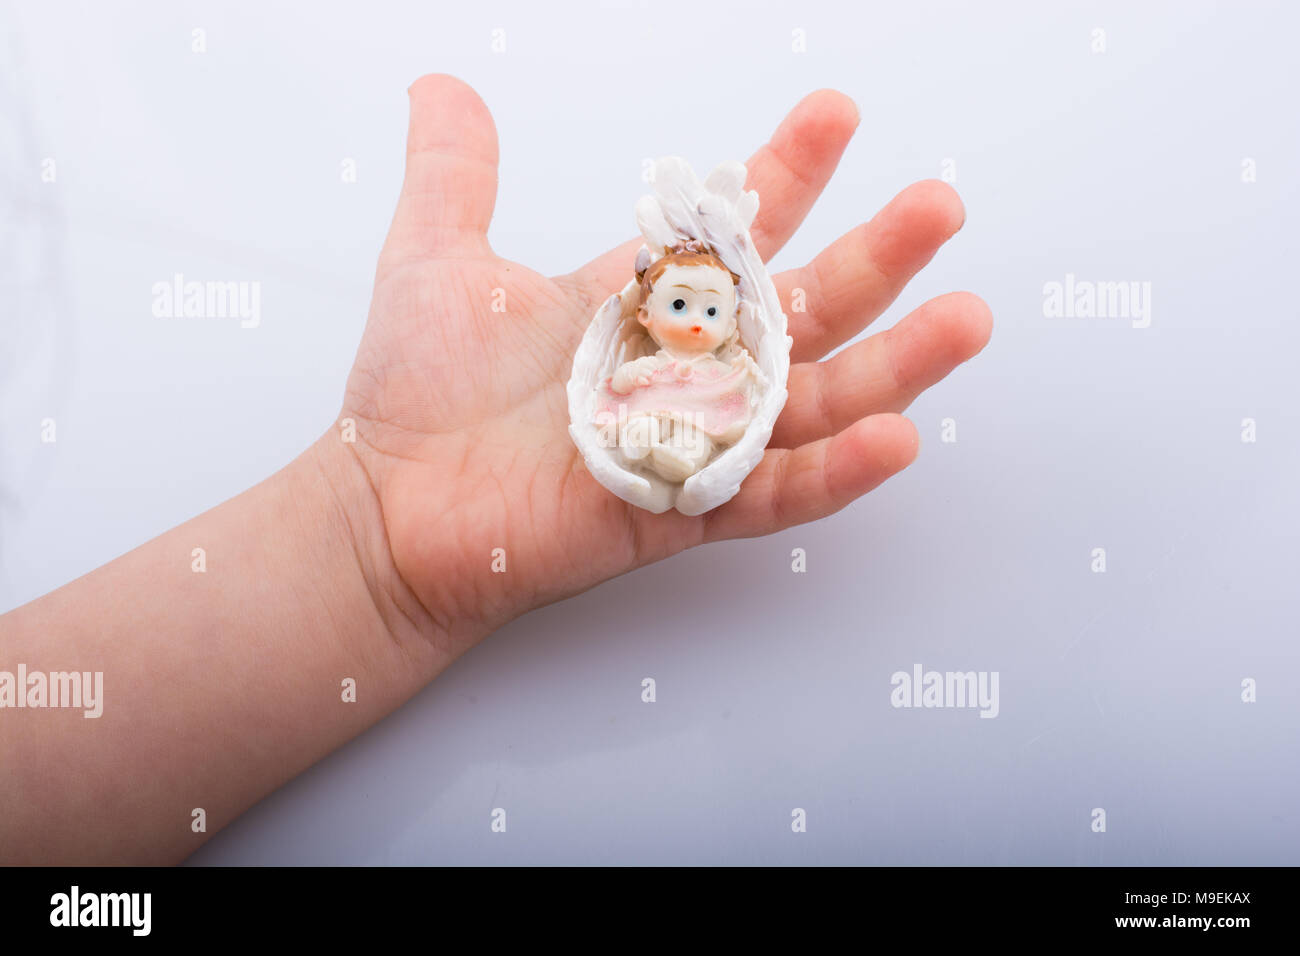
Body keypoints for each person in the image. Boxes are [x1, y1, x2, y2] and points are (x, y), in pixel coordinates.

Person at [0, 74, 993, 864]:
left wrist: (363, 558)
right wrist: (369, 545)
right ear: (648, 313)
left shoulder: (727, 371)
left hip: (685, 435)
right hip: (645, 430)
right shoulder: (638, 367)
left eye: (708, 311)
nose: (692, 323)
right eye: (677, 309)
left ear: (732, 319)